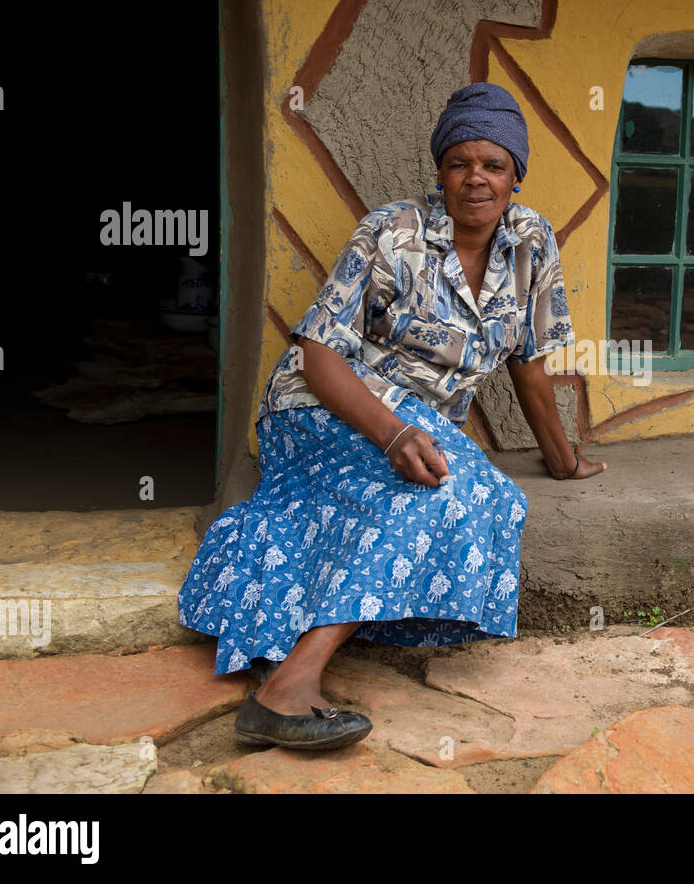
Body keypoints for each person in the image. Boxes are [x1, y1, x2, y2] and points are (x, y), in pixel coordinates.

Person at [177, 82, 607, 751]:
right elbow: (318, 352)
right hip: (321, 405)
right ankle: (289, 686)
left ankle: (280, 629)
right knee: (445, 492)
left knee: (487, 495)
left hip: (418, 424)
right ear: (439, 171)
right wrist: (393, 430)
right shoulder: (392, 230)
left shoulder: (532, 242)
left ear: (516, 174)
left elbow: (529, 358)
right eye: (459, 163)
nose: (475, 179)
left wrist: (563, 456)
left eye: (493, 165)